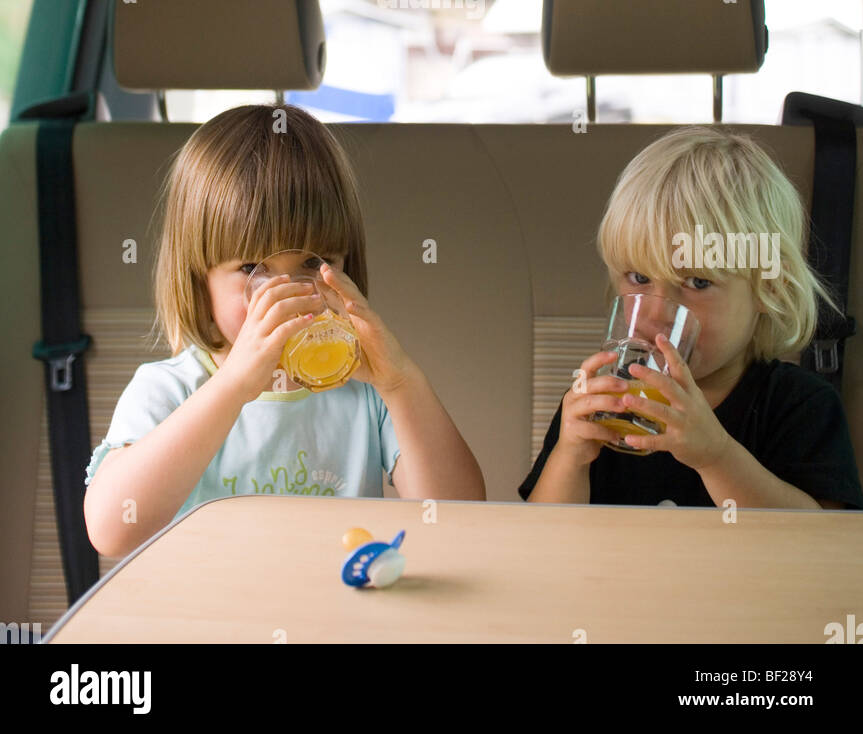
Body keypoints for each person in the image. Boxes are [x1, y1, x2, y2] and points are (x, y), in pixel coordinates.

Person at [84, 104, 485, 557]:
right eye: (253, 268)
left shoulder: (366, 393)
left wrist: (400, 382)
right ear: (200, 279)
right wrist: (234, 385)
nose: (289, 293)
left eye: (315, 264)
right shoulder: (170, 390)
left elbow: (459, 516)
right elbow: (113, 530)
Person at [520, 127, 863, 510]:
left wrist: (715, 456)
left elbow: (820, 546)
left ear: (771, 289)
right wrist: (571, 455)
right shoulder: (601, 399)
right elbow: (542, 540)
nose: (655, 313)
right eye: (639, 278)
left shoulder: (799, 405)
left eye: (698, 282)